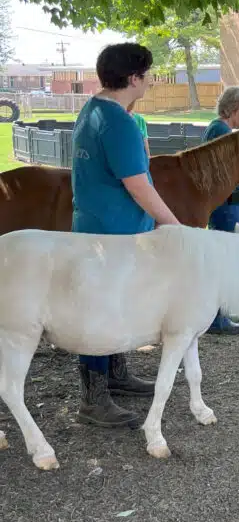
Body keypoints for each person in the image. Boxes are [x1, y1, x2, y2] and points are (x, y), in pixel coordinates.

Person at [72, 42, 180, 429]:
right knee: (101, 310)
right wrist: (172, 223)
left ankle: (114, 374)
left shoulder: (92, 110)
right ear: (133, 78)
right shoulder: (118, 122)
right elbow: (137, 184)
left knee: (112, 306)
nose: (150, 81)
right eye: (147, 74)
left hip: (99, 228)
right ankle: (93, 399)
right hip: (113, 235)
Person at [203, 85, 239, 336]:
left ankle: (219, 314)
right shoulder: (220, 131)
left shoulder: (220, 130)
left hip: (226, 204)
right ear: (232, 108)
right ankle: (216, 319)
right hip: (224, 205)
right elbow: (222, 173)